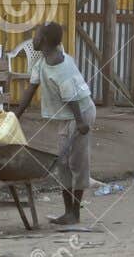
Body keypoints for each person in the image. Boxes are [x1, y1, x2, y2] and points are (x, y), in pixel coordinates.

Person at [13, 21, 95, 226]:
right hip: (68, 116)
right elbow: (31, 89)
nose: (33, 38)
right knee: (63, 163)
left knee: (75, 163)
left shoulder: (61, 66)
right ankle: (69, 212)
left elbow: (72, 98)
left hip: (80, 114)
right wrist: (15, 115)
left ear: (44, 40)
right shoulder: (43, 61)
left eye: (36, 35)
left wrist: (80, 123)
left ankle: (74, 214)